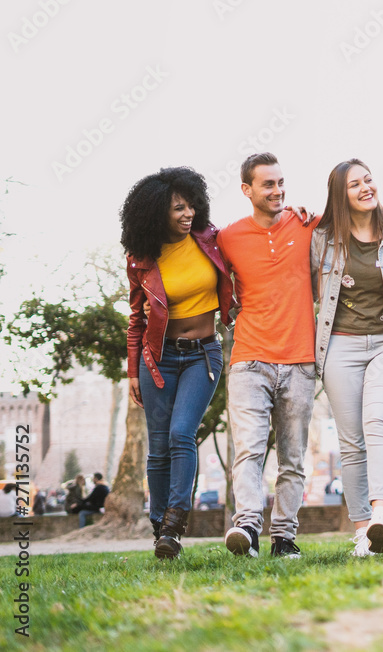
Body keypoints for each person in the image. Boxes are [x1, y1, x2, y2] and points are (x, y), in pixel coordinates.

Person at [122, 166, 231, 559]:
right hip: (158, 360)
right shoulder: (141, 259)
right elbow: (136, 319)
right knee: (158, 446)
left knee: (182, 433)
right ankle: (160, 530)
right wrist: (132, 371)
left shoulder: (210, 239)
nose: (187, 214)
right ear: (156, 215)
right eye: (177, 209)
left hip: (203, 353)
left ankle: (175, 521)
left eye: (190, 206)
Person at [217, 152, 319, 560]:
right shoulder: (228, 237)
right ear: (247, 190)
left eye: (280, 183)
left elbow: (355, 216)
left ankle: (284, 538)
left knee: (292, 457)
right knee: (250, 449)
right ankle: (246, 525)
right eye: (268, 184)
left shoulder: (306, 223)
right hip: (249, 359)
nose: (277, 191)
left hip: (299, 360)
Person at [311, 159, 383, 557]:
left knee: (380, 421)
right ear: (341, 195)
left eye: (369, 179)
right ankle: (362, 532)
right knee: (351, 442)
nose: (366, 188)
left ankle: (381, 514)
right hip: (341, 345)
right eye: (355, 185)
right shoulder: (322, 238)